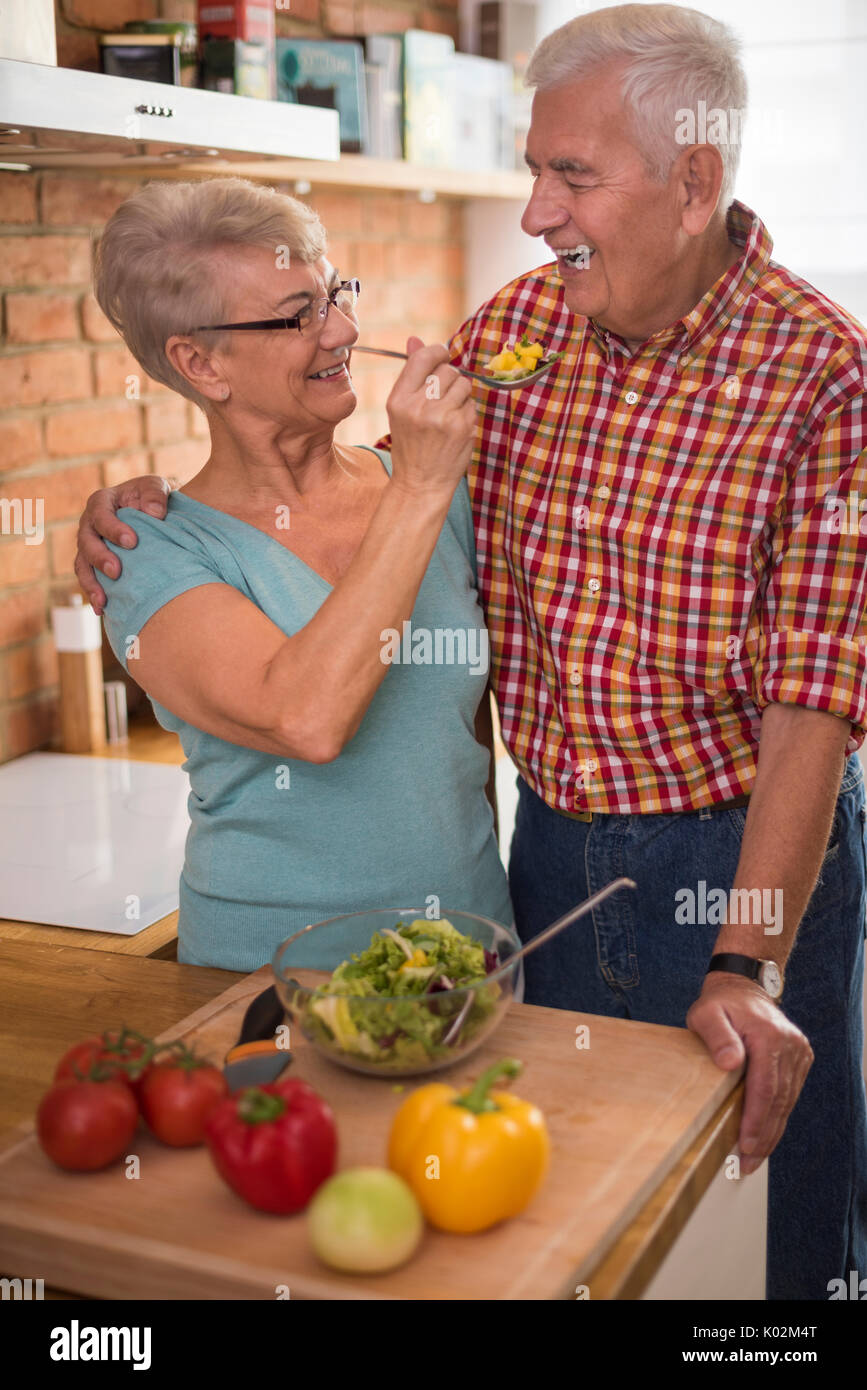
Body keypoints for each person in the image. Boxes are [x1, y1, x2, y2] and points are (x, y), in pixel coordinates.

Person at [75, 5, 866, 1300]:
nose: (534, 214)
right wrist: (118, 517)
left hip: (727, 856)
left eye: (569, 176)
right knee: (547, 1236)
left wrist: (746, 953)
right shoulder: (517, 341)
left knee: (763, 1243)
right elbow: (317, 648)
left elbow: (814, 698)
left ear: (692, 181)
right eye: (530, 170)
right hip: (537, 869)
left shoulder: (821, 371)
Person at [77, 175, 512, 973]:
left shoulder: (430, 489)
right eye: (296, 316)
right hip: (271, 977)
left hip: (472, 953)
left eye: (334, 295)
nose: (342, 329)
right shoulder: (148, 550)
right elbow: (306, 720)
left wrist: (418, 483)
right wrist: (418, 487)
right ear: (200, 364)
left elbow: (462, 738)